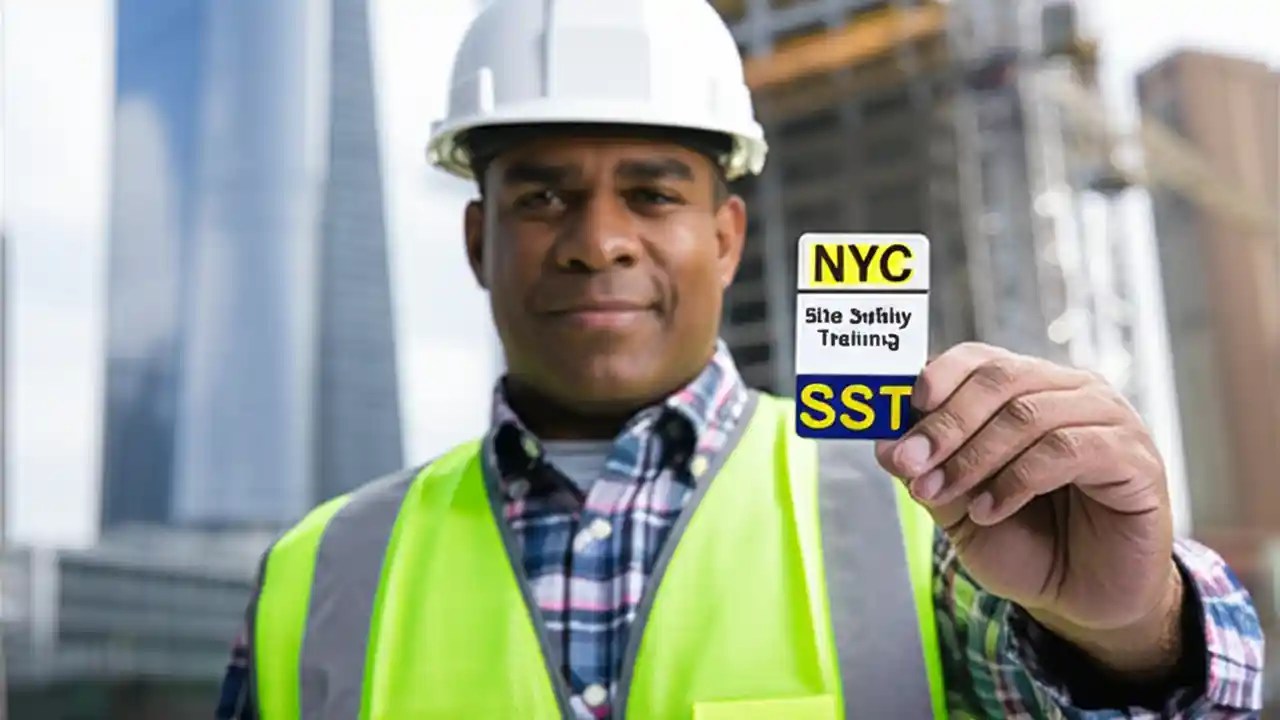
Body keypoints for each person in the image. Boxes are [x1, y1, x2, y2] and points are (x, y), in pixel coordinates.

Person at [216, 1, 1265, 717]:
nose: (598, 239)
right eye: (541, 196)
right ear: (477, 240)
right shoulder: (317, 575)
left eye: (652, 192)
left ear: (724, 237)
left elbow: (1119, 693)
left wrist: (1131, 629)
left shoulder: (931, 509)